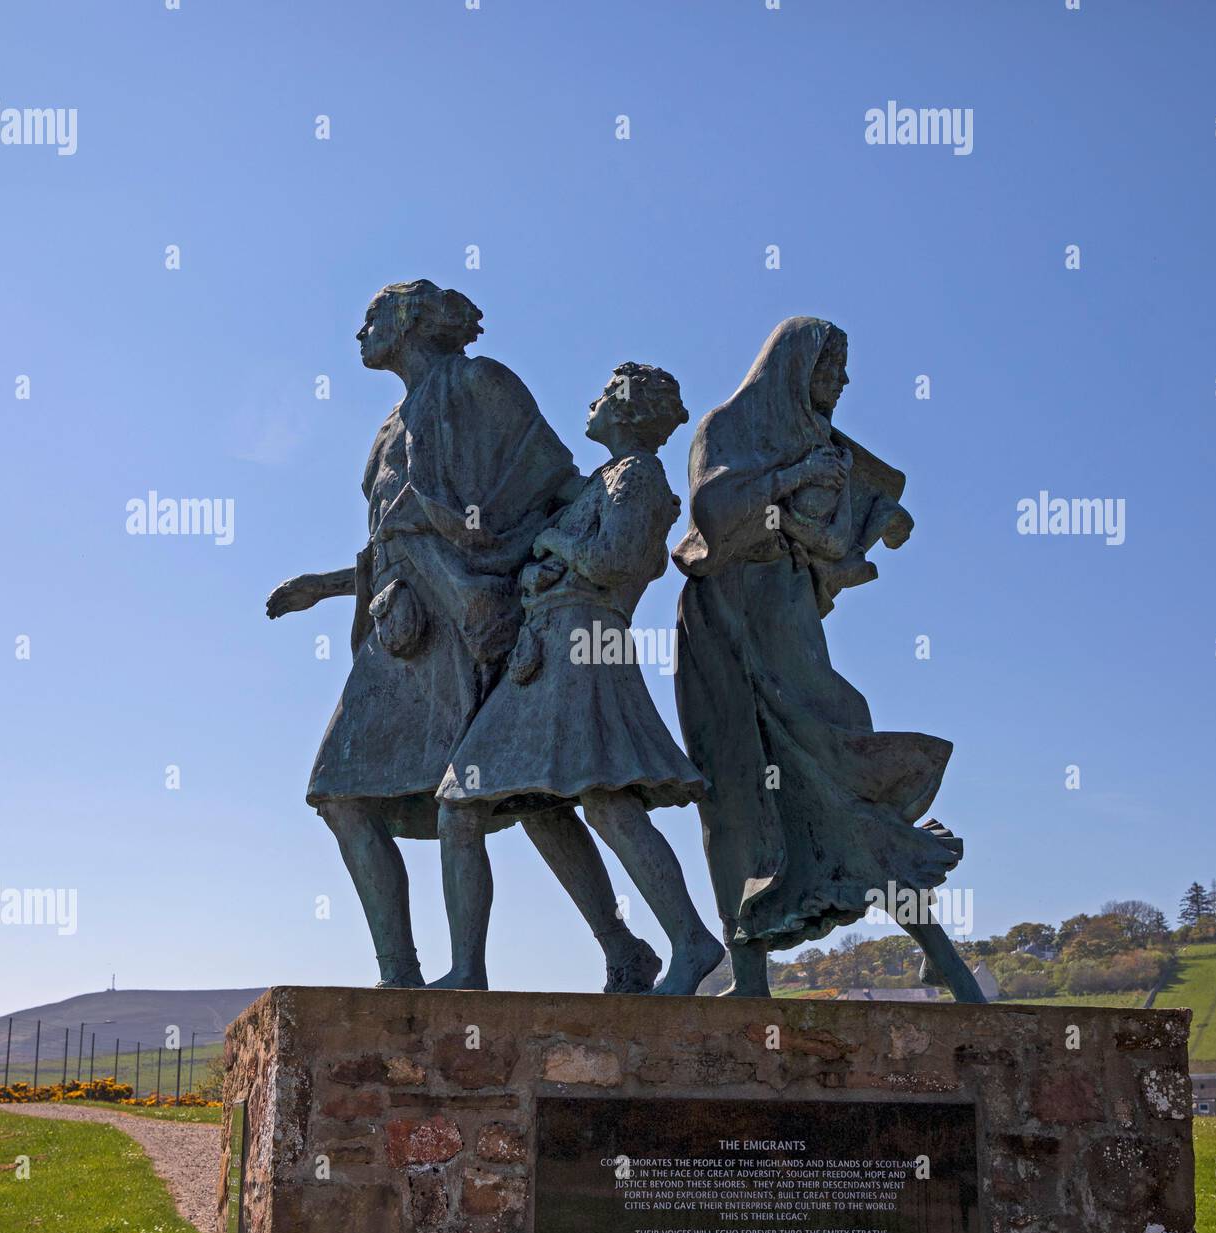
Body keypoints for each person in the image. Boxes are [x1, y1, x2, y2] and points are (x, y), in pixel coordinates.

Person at [265, 282, 660, 993]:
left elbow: (554, 485)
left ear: (412, 319)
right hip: (397, 629)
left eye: (373, 316)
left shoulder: (480, 382)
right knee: (341, 796)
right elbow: (390, 538)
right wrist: (324, 587)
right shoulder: (391, 426)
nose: (360, 331)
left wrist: (628, 518)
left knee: (527, 794)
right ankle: (401, 977)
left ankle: (615, 948)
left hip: (472, 615)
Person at [671, 317, 984, 1002]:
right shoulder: (726, 427)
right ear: (793, 368)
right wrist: (792, 477)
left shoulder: (825, 444)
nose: (841, 384)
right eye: (831, 370)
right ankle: (750, 975)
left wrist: (867, 515)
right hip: (724, 628)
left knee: (838, 774)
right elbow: (712, 514)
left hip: (787, 628)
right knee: (733, 797)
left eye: (842, 372)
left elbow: (849, 525)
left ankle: (942, 957)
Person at [437, 364, 724, 994]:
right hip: (549, 649)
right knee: (522, 800)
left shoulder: (639, 476)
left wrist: (552, 545)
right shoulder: (603, 480)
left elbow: (613, 561)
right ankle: (615, 950)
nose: (590, 403)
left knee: (598, 799)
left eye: (601, 394)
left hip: (584, 645)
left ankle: (689, 941)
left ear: (622, 406)